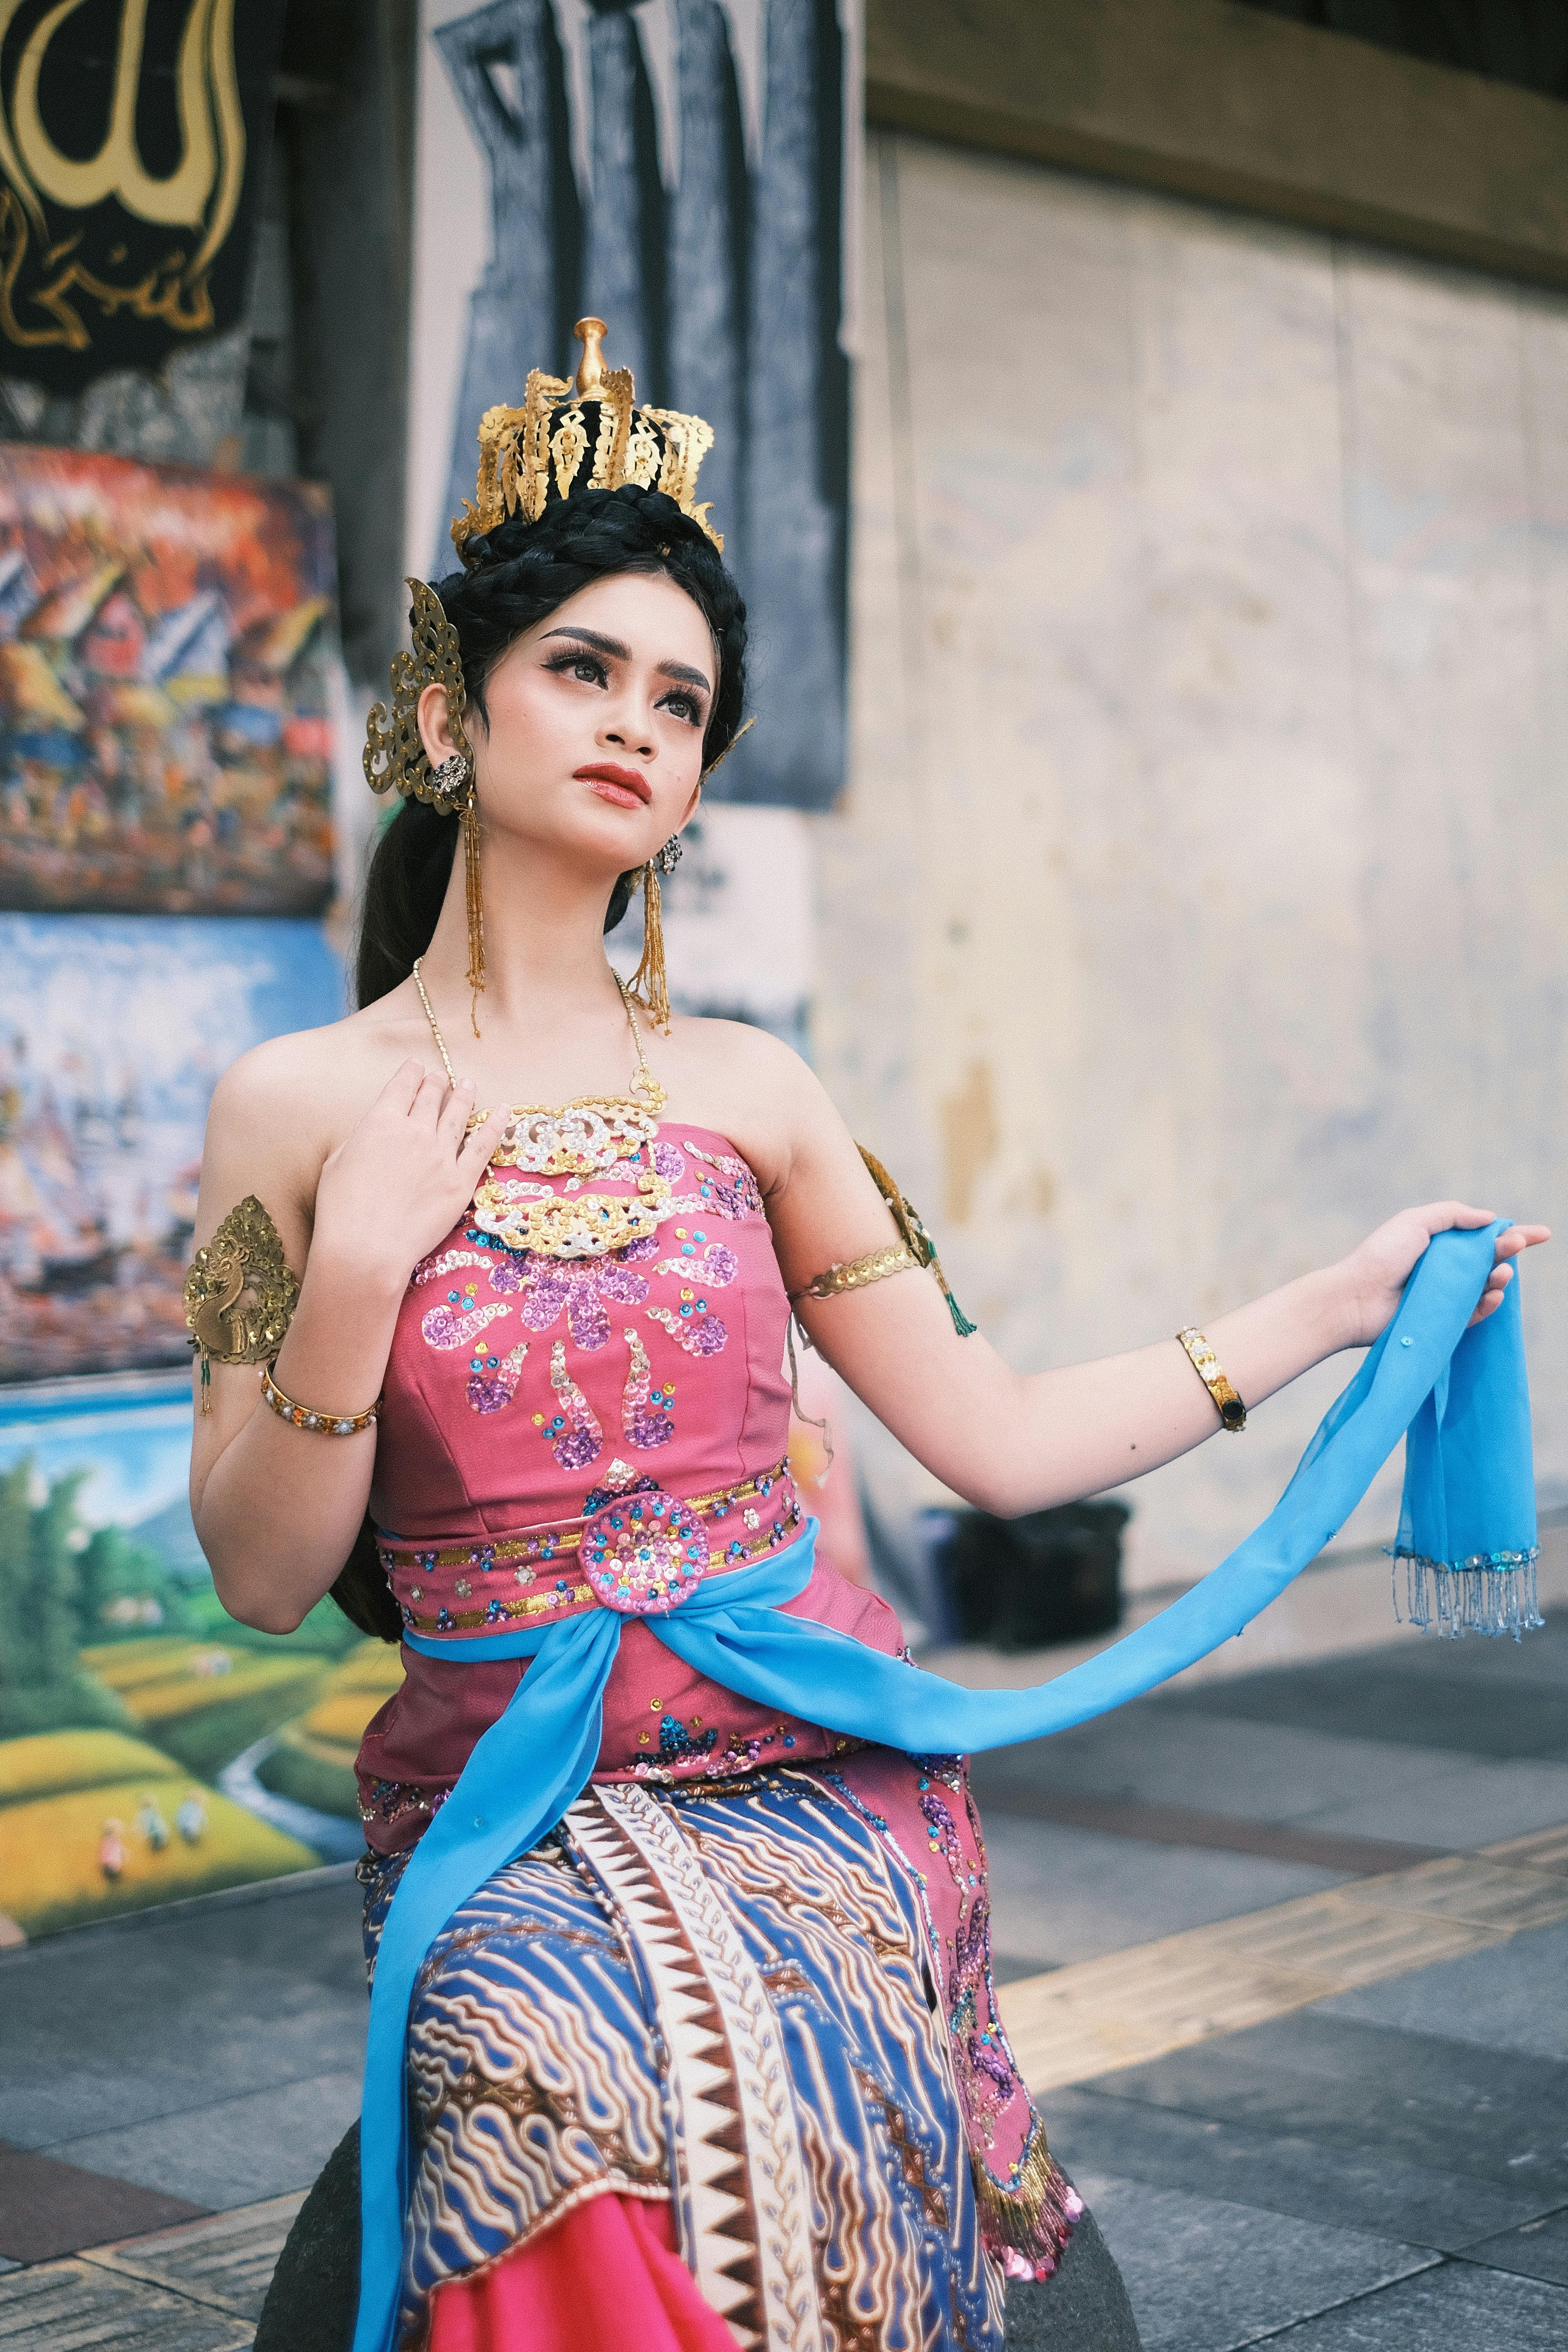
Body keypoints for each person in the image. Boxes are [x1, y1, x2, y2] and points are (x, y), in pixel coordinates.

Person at [188, 321, 1546, 2352]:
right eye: (582, 669)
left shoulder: (756, 1088)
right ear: (450, 713)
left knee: (825, 1996)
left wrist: (1344, 1304)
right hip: (504, 1793)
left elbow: (995, 1437)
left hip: (802, 1754)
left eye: (680, 701)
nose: (636, 723)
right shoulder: (296, 1108)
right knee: (537, 2040)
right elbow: (260, 1572)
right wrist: (359, 1277)